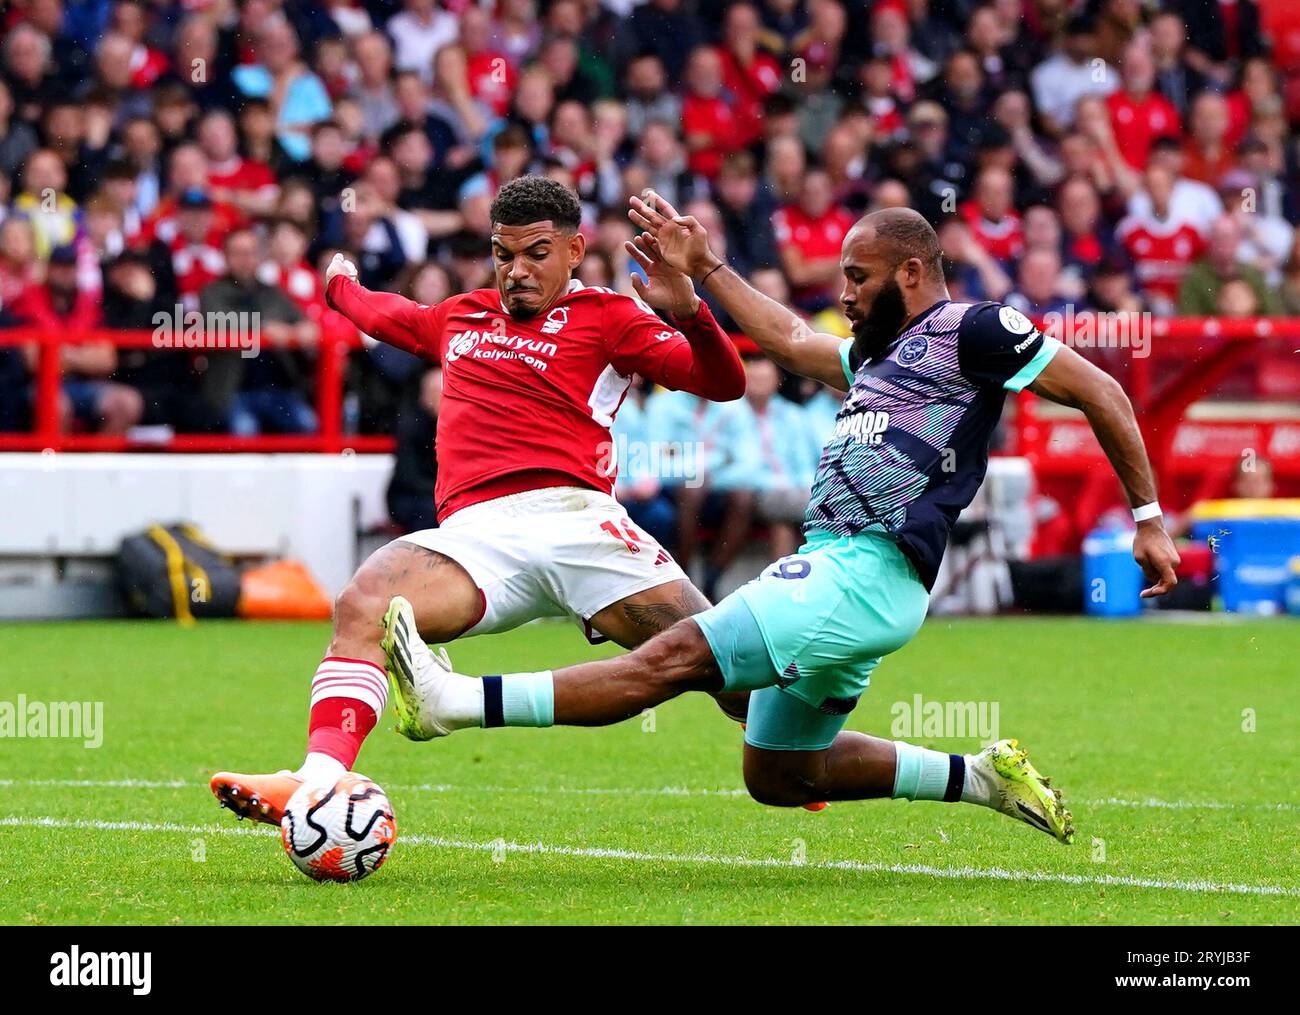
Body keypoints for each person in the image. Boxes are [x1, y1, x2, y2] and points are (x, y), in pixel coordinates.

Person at [377, 193, 1181, 841]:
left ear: (911, 271)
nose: (844, 294)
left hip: (865, 567)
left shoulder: (975, 329)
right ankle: (976, 776)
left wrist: (1147, 517)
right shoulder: (876, 354)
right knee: (781, 772)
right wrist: (707, 272)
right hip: (847, 575)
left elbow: (1101, 390)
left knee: (675, 657)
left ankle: (455, 701)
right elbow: (791, 339)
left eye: (857, 277)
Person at [210, 176, 747, 823]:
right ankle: (315, 780)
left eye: (537, 254)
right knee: (364, 602)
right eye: (503, 254)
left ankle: (795, 759)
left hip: (580, 521)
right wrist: (340, 288)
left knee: (730, 667)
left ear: (575, 250)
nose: (517, 270)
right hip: (476, 535)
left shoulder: (611, 316)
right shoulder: (461, 315)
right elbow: (390, 317)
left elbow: (724, 382)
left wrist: (690, 311)